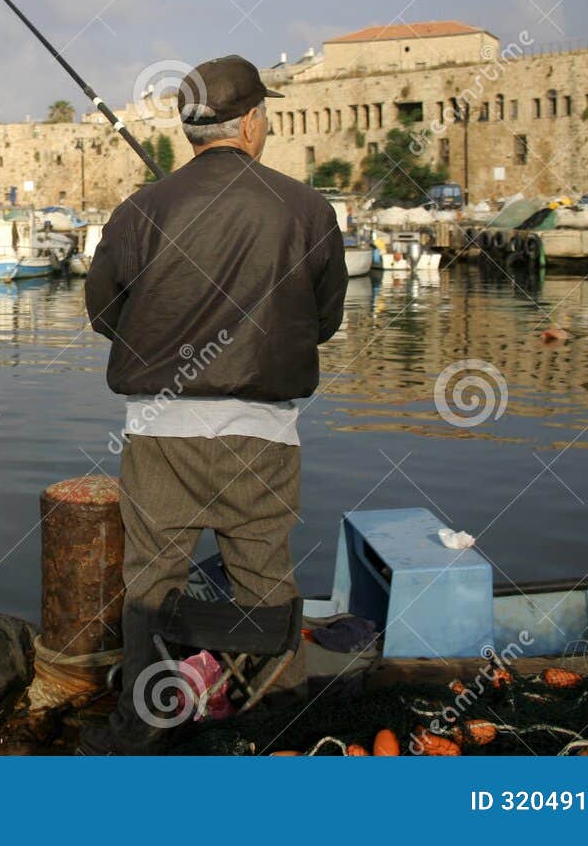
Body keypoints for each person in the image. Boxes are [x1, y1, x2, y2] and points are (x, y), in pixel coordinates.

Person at [81, 54, 348, 753]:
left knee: (151, 581)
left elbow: (105, 309)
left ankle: (142, 723)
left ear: (191, 128)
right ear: (254, 121)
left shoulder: (140, 210)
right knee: (263, 576)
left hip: (158, 432)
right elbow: (321, 322)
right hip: (260, 435)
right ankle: (266, 715)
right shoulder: (309, 209)